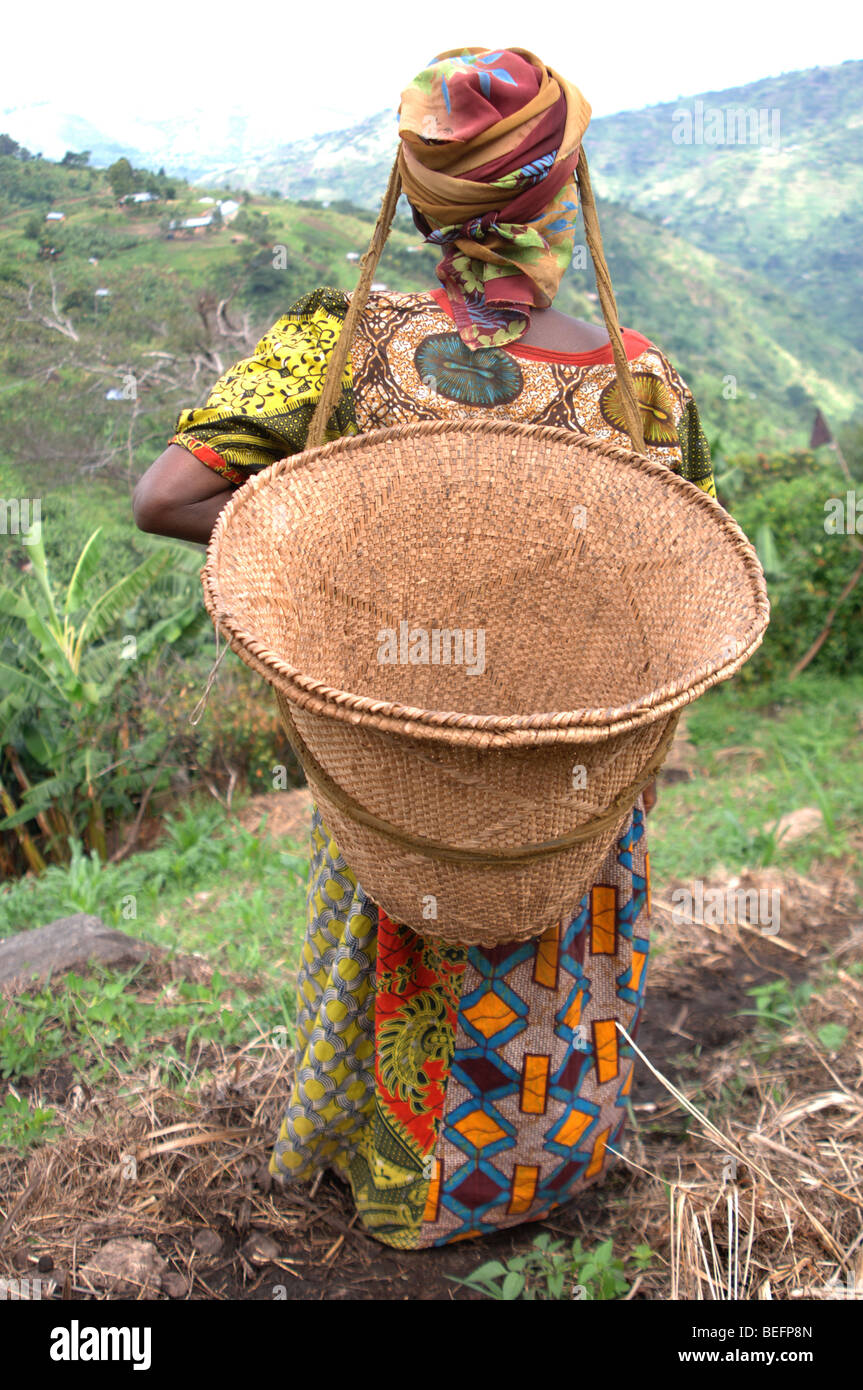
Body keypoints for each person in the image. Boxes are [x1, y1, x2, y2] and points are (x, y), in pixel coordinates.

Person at [133, 46, 716, 1251]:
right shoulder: (640, 378)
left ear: (425, 206)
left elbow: (168, 496)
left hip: (400, 733)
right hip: (573, 749)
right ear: (562, 198)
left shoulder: (350, 344)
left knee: (404, 922)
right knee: (560, 937)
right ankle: (537, 1180)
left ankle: (392, 1180)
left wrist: (344, 592)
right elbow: (685, 567)